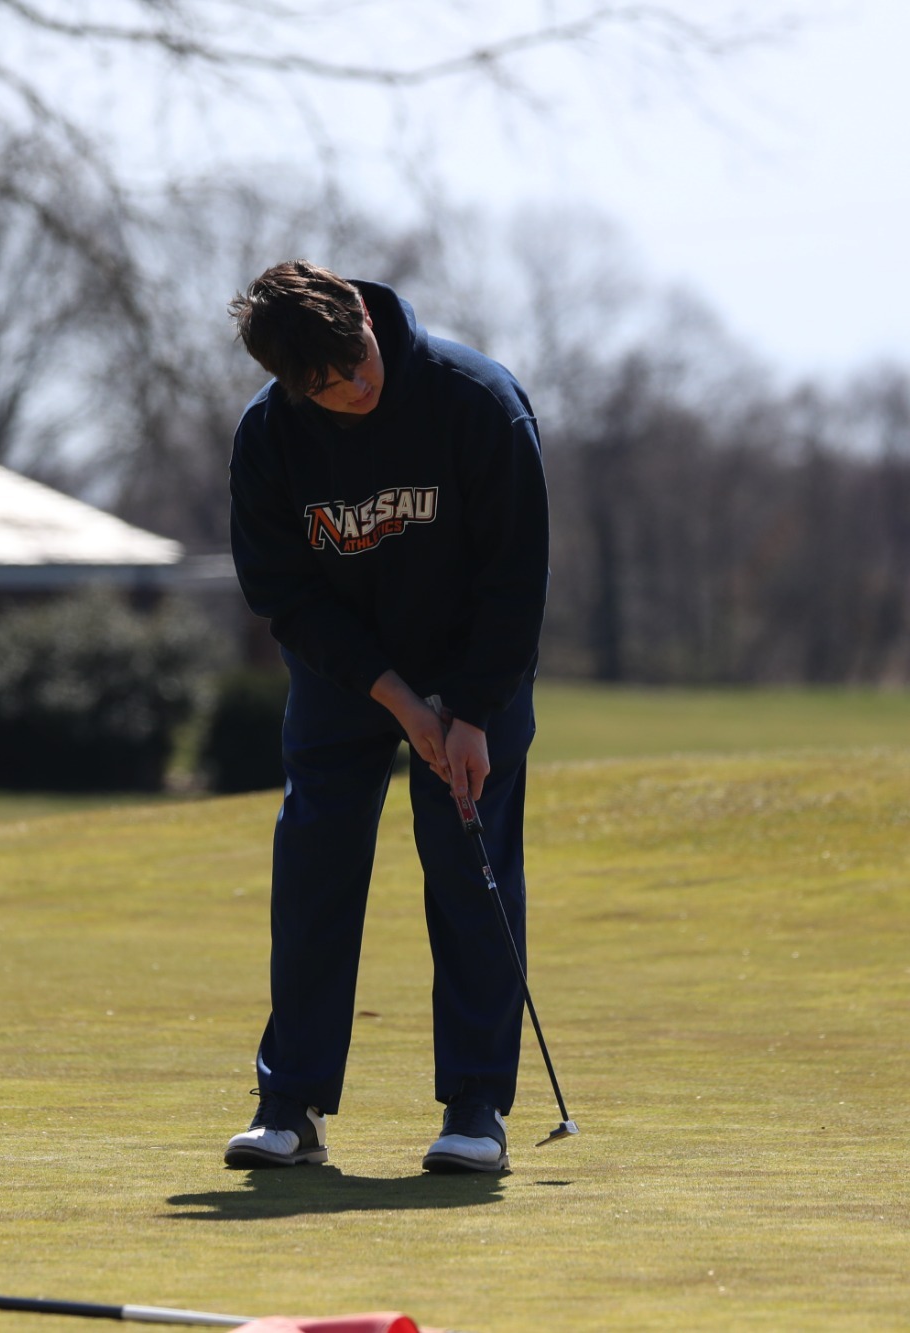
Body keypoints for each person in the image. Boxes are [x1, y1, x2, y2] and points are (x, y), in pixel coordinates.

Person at [221, 261, 549, 1174]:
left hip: (477, 666)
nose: (355, 389)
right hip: (346, 677)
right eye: (327, 386)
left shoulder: (478, 402)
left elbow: (517, 578)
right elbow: (283, 592)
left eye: (357, 362)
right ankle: (291, 1102)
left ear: (364, 316)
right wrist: (398, 698)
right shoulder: (271, 437)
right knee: (314, 871)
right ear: (292, 385)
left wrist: (471, 710)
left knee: (468, 867)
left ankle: (476, 1106)